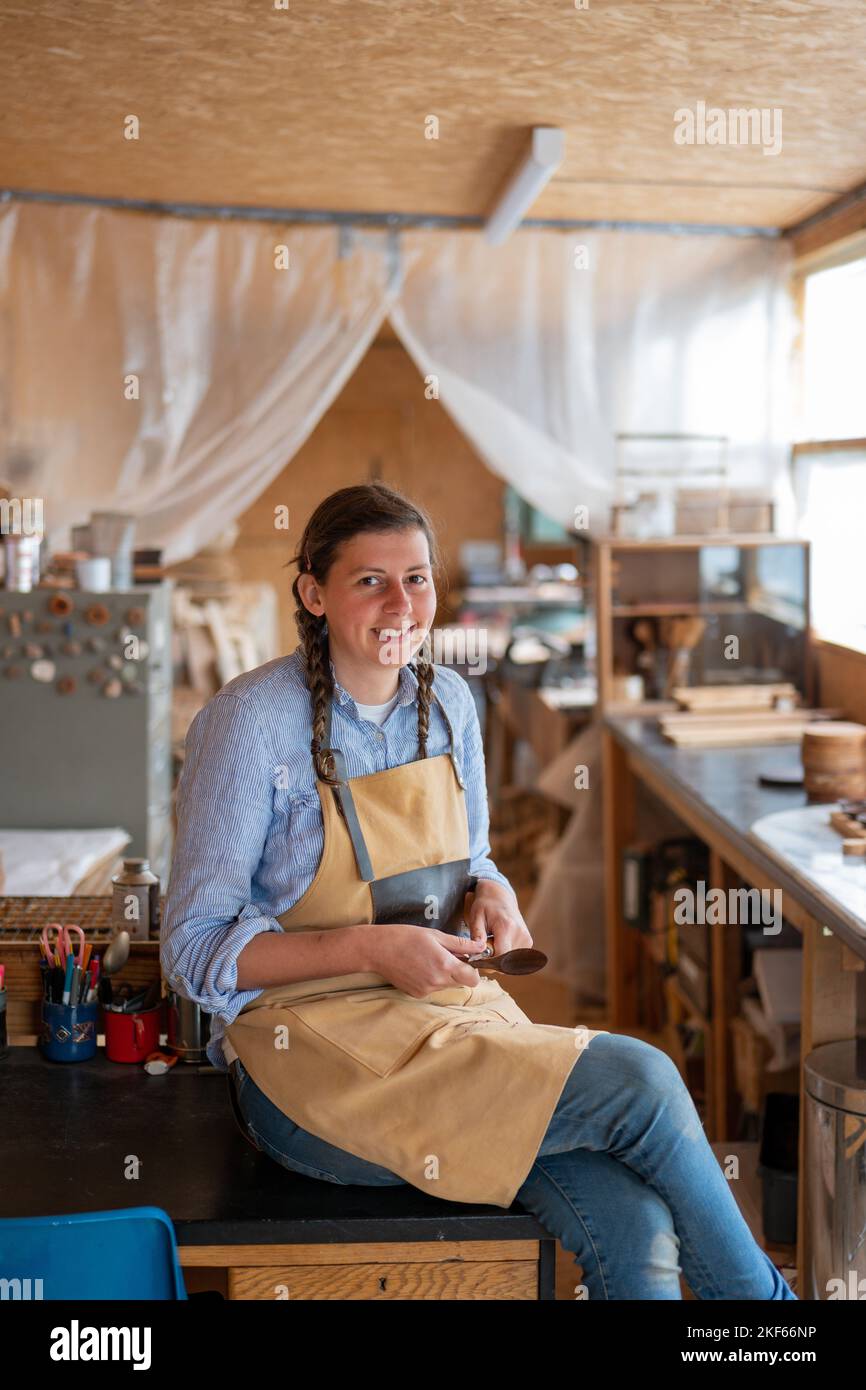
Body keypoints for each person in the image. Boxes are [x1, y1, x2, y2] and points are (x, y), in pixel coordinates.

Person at [162, 481, 797, 1301]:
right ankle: (775, 1325)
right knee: (640, 1083)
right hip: (307, 1060)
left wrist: (491, 893)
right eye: (370, 581)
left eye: (418, 578)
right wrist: (372, 948)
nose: (402, 604)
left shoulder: (450, 702)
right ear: (313, 593)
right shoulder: (250, 723)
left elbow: (475, 857)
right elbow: (192, 949)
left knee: (635, 1226)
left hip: (445, 1020)